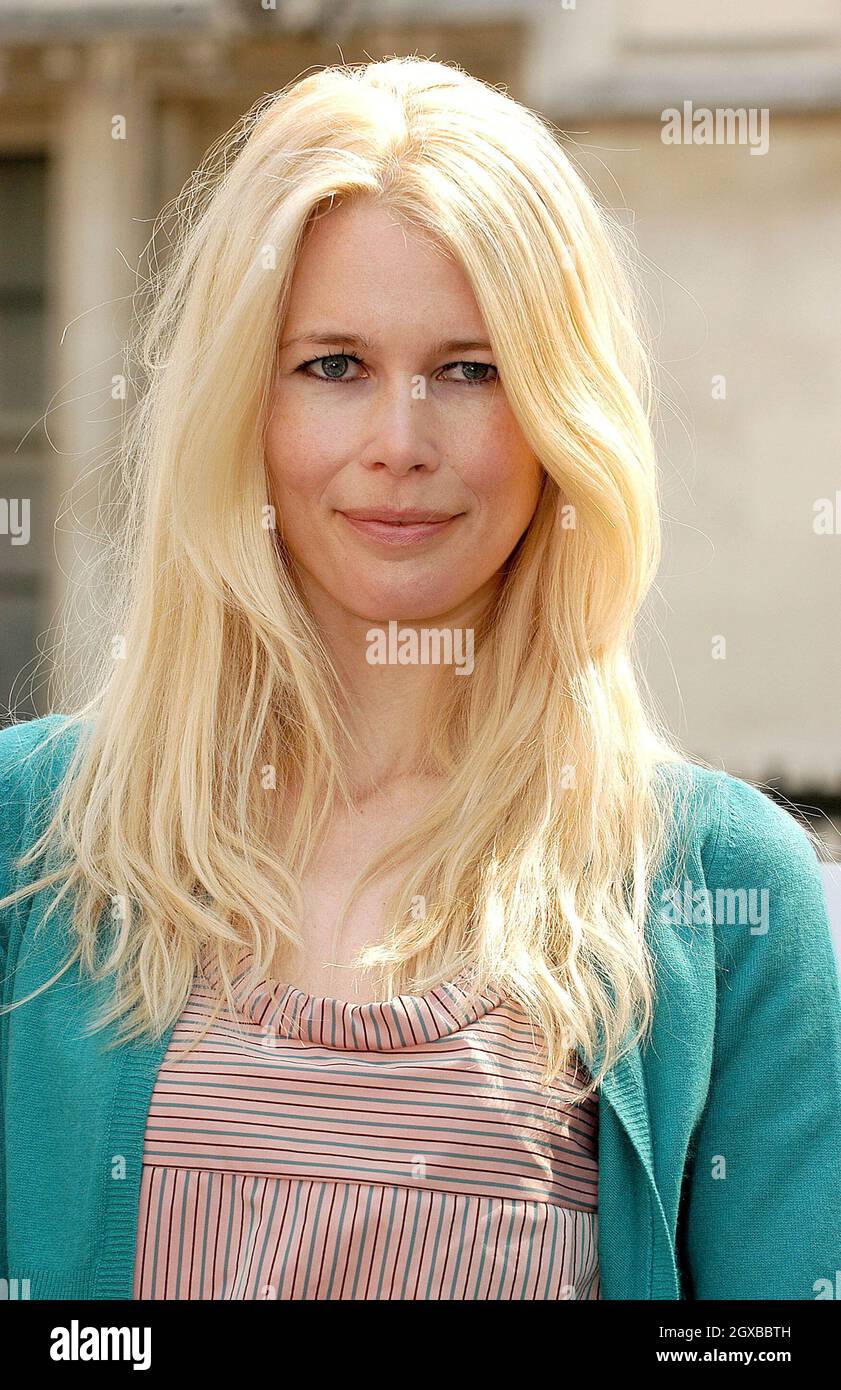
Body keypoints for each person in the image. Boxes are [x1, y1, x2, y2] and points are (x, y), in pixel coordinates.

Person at [1, 56, 839, 1303]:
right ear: (241, 403)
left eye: (470, 369)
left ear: (559, 414)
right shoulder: (28, 834)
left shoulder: (721, 895)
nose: (399, 444)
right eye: (333, 365)